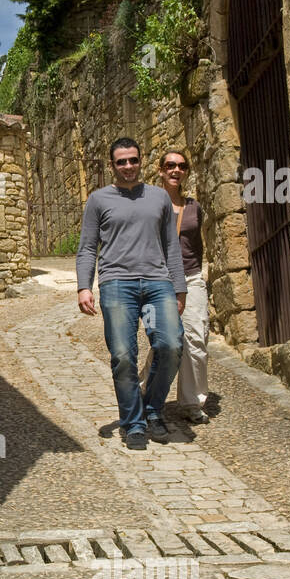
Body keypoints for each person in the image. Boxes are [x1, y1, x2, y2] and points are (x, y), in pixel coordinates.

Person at [76, 138, 186, 451]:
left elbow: (171, 246)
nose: (128, 166)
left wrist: (180, 289)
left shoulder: (159, 198)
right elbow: (87, 247)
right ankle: (133, 423)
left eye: (133, 160)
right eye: (121, 161)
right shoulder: (98, 200)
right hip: (116, 283)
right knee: (123, 356)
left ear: (141, 161)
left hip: (157, 282)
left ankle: (153, 410)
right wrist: (84, 285)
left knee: (171, 344)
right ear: (112, 165)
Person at [142, 149, 210, 423]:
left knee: (196, 338)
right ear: (160, 170)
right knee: (165, 342)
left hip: (191, 278)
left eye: (182, 166)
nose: (176, 170)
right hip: (159, 281)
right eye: (170, 165)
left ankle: (193, 401)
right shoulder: (147, 205)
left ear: (186, 172)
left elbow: (198, 246)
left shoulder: (194, 207)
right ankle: (143, 390)